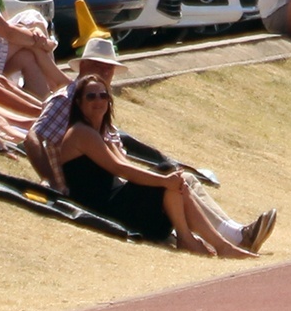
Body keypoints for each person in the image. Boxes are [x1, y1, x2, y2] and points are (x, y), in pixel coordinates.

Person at [25, 4, 278, 253]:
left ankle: (231, 235)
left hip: (116, 190)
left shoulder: (99, 123)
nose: (98, 98)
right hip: (103, 200)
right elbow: (36, 137)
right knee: (170, 177)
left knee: (181, 178)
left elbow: (120, 161)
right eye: (92, 95)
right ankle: (221, 240)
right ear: (83, 68)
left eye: (107, 71)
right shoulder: (71, 112)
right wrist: (51, 179)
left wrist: (162, 179)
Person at [60, 74, 255, 257]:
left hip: (122, 208)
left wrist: (169, 181)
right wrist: (164, 179)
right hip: (102, 210)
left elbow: (126, 166)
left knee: (174, 180)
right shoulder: (80, 133)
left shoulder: (103, 137)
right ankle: (203, 242)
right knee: (166, 173)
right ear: (78, 102)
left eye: (103, 95)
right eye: (91, 96)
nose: (98, 101)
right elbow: (120, 170)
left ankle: (209, 242)